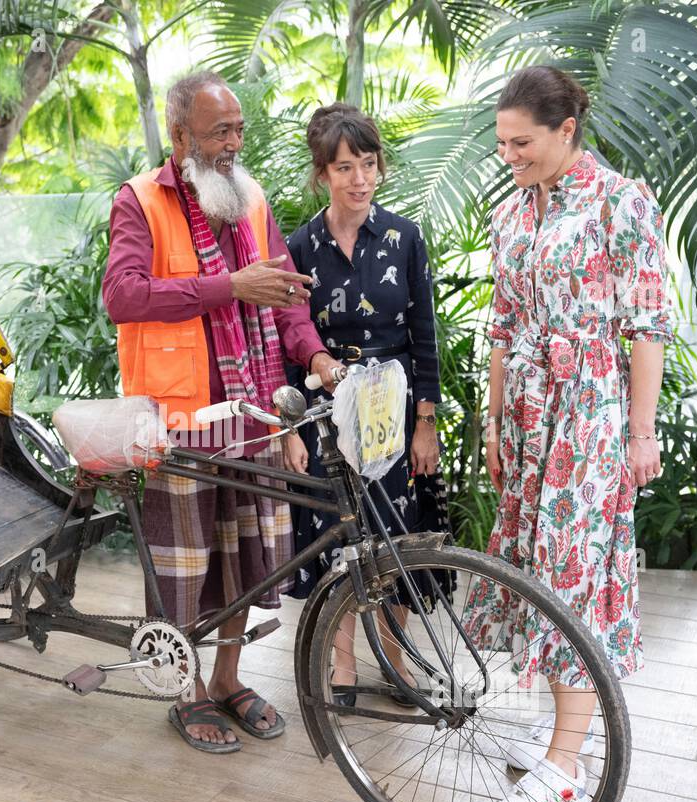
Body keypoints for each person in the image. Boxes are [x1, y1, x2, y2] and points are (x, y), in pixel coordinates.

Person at [101, 70, 344, 753]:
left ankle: (229, 681)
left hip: (254, 412)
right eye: (219, 132)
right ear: (180, 136)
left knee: (250, 561)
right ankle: (188, 692)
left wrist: (318, 357)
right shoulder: (140, 201)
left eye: (238, 128)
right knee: (186, 568)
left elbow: (286, 298)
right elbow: (122, 296)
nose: (234, 142)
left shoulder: (252, 196)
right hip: (181, 421)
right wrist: (227, 286)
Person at [465, 65, 672, 802]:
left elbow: (647, 326)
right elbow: (503, 326)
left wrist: (641, 434)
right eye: (502, 144)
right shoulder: (513, 213)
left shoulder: (622, 203)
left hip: (588, 415)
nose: (508, 156)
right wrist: (492, 423)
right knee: (537, 571)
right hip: (525, 415)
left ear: (565, 131)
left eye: (522, 143)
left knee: (574, 578)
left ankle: (564, 763)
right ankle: (566, 738)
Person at [284, 103, 453, 708]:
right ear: (322, 173)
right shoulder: (300, 246)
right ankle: (345, 664)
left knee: (396, 534)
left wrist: (426, 423)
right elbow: (289, 335)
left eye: (369, 164)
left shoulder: (405, 238)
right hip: (329, 413)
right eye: (344, 166)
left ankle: (398, 660)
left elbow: (425, 333)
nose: (359, 178)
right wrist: (291, 429)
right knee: (338, 535)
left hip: (396, 412)